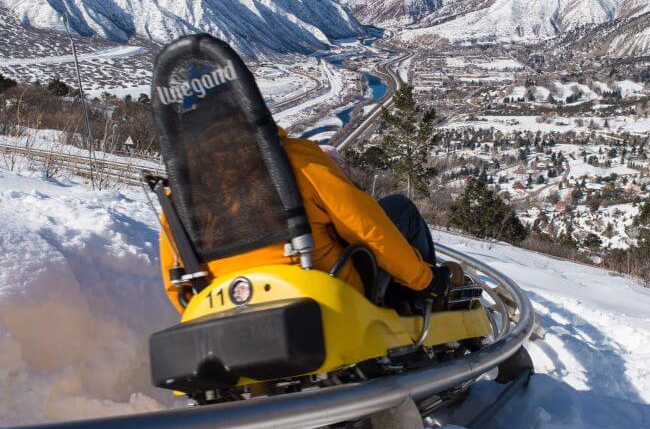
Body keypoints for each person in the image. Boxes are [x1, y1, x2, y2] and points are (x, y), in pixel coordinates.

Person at [159, 128, 451, 311]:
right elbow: (368, 227)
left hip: (222, 308)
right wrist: (424, 280)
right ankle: (421, 303)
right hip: (324, 294)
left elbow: (176, 284)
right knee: (399, 208)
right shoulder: (298, 160)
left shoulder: (180, 196)